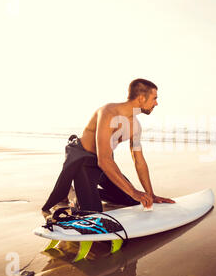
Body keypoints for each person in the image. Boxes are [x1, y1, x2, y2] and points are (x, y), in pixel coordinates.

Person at [41, 78, 175, 219]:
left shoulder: (135, 126)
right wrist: (134, 191)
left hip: (106, 163)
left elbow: (139, 161)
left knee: (133, 200)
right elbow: (103, 160)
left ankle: (88, 191)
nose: (156, 103)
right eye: (154, 98)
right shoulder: (109, 112)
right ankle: (74, 193)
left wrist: (150, 194)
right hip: (84, 160)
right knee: (92, 214)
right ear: (141, 98)